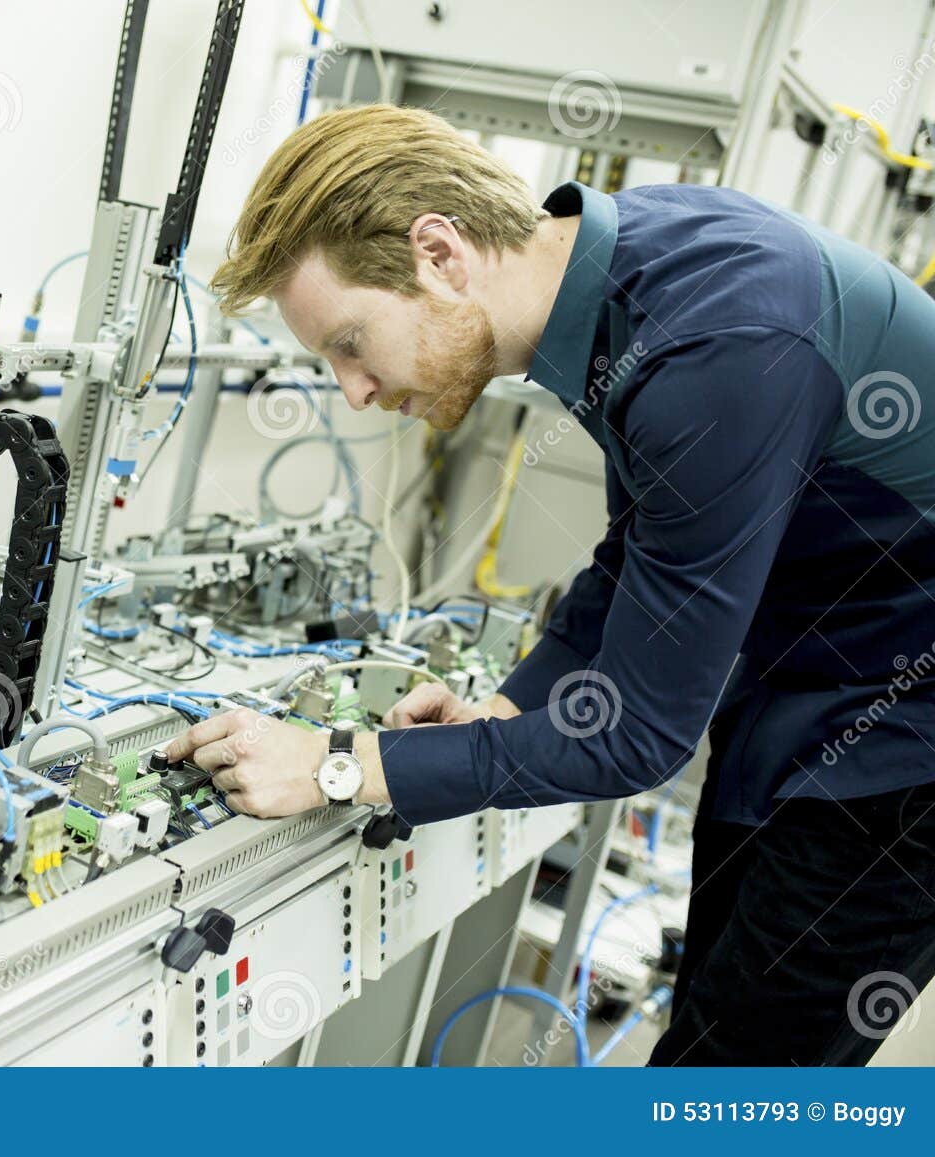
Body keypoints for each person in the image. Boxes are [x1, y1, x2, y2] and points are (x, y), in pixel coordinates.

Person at [164, 104, 935, 1065]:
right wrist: (502, 706)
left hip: (902, 738)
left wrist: (339, 765)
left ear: (440, 253)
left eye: (350, 344)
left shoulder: (719, 337)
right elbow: (637, 552)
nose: (354, 391)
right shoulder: (623, 281)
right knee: (711, 1033)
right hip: (810, 681)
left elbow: (639, 737)